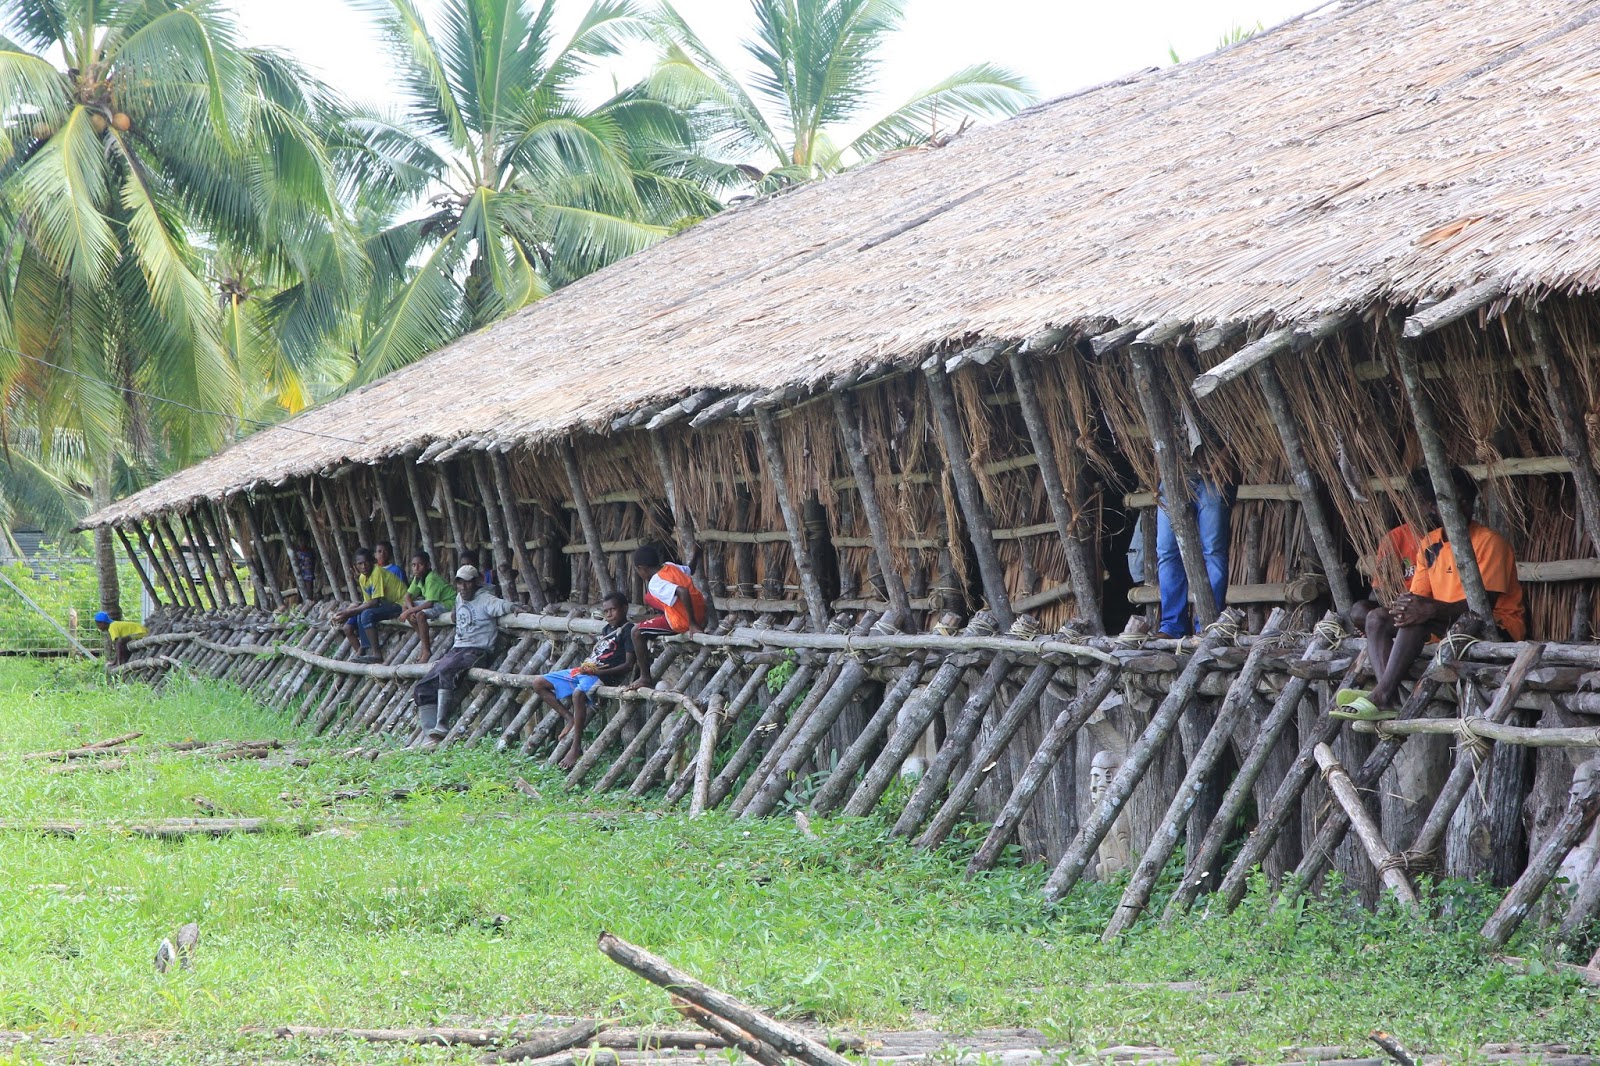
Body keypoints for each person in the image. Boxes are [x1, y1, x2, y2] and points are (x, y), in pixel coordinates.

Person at [1336, 466, 1524, 721]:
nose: (1460, 508)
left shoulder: (1490, 542)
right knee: (1376, 618)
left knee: (1417, 621)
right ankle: (1387, 696)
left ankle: (1381, 695)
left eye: (1465, 501)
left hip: (1494, 627)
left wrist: (1430, 609)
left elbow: (1483, 606)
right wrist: (1407, 607)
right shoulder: (1429, 543)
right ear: (1434, 508)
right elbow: (1419, 594)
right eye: (1450, 502)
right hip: (1446, 623)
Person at [530, 592, 634, 769]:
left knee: (578, 694)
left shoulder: (629, 631)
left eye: (613, 610)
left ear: (624, 608)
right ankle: (569, 718)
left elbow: (628, 665)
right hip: (585, 671)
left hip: (602, 675)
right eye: (606, 611)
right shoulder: (607, 630)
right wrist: (587, 668)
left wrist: (600, 671)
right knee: (538, 683)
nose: (609, 614)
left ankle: (576, 747)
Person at [411, 565, 515, 742]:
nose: (463, 587)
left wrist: (514, 607)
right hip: (458, 649)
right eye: (460, 583)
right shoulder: (459, 598)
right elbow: (456, 612)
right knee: (422, 687)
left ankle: (441, 724)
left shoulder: (485, 599)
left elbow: (501, 606)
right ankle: (430, 733)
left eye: (467, 583)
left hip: (478, 650)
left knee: (447, 673)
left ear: (476, 582)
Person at [1154, 475, 1233, 637]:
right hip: (1172, 476)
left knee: (1213, 551)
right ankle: (1171, 626)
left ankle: (1207, 623)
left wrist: (1219, 462)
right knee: (1167, 552)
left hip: (1211, 476)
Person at [628, 545, 706, 688]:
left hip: (683, 621)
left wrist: (692, 624)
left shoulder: (655, 583)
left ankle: (645, 677)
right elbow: (690, 570)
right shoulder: (670, 566)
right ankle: (665, 615)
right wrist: (696, 555)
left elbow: (683, 592)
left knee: (636, 633)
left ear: (642, 569)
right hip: (701, 613)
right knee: (648, 597)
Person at [331, 547, 408, 663]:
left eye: (366, 562)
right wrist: (350, 612)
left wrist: (348, 612)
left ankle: (377, 654)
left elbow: (374, 602)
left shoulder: (377, 572)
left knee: (367, 614)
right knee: (362, 612)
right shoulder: (362, 578)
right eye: (360, 564)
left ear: (372, 562)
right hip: (387, 603)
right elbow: (368, 602)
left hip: (400, 603)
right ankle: (364, 649)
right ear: (355, 566)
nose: (363, 566)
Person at [397, 551, 456, 660]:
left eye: (420, 565)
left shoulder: (431, 578)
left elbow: (429, 604)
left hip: (448, 603)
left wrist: (409, 612)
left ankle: (426, 651)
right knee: (405, 606)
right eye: (413, 565)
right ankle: (424, 641)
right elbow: (407, 596)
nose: (416, 568)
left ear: (428, 565)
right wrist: (411, 610)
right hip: (436, 602)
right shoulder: (418, 578)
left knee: (420, 615)